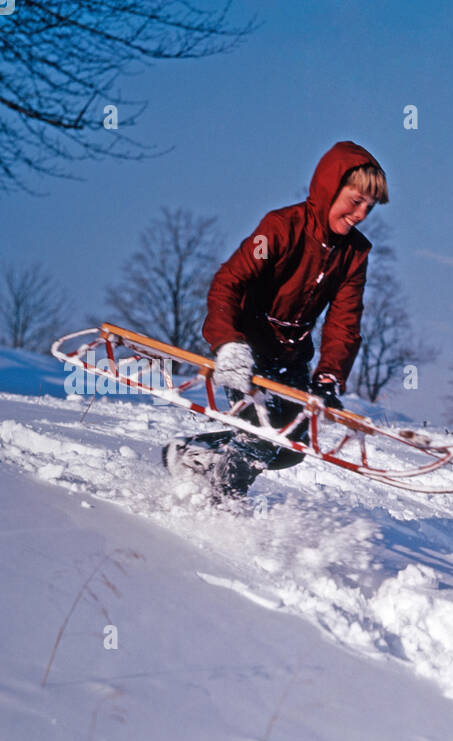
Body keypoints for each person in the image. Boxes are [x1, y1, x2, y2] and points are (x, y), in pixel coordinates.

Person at [162, 141, 388, 498]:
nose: (360, 214)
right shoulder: (282, 227)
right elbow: (228, 283)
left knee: (290, 446)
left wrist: (328, 378)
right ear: (330, 189)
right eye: (355, 201)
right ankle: (222, 504)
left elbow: (345, 320)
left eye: (369, 208)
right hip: (250, 346)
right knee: (261, 432)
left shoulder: (355, 254)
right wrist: (229, 344)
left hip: (292, 358)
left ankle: (193, 450)